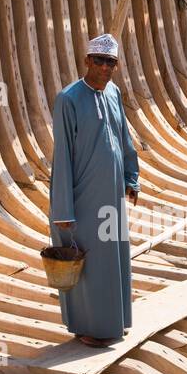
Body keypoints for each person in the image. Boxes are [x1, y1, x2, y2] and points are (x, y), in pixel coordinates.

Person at [48, 33, 140, 347]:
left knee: (113, 258)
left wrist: (131, 178)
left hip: (111, 194)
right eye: (98, 60)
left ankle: (114, 322)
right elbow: (61, 156)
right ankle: (89, 327)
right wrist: (62, 210)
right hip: (80, 199)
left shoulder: (113, 93)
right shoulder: (68, 99)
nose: (104, 67)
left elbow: (123, 140)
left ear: (116, 66)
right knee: (89, 263)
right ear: (87, 60)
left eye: (110, 62)